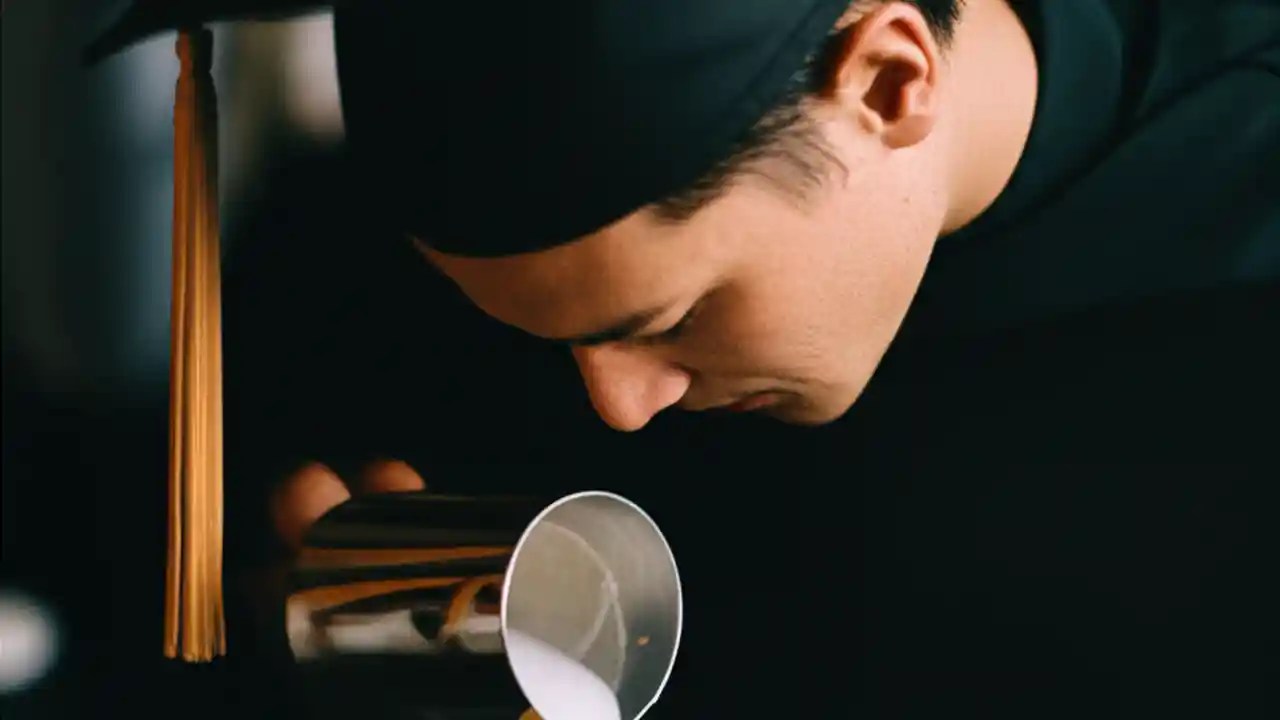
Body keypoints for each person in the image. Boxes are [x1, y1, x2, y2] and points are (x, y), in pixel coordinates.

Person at [199, 0, 1277, 716]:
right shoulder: (368, 248)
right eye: (551, 335)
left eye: (664, 316)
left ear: (887, 82)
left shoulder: (1224, 338)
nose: (618, 405)